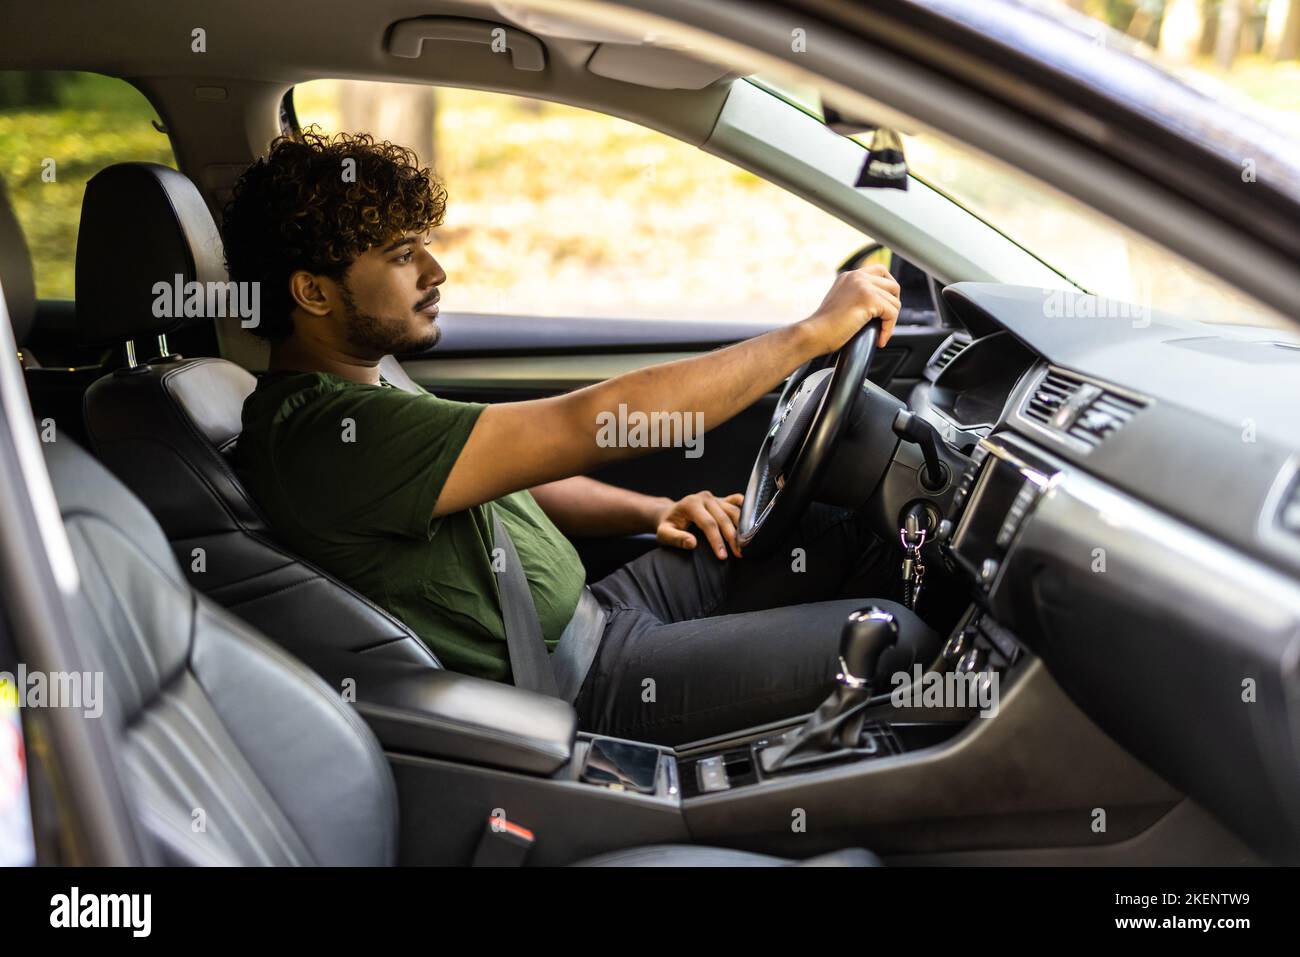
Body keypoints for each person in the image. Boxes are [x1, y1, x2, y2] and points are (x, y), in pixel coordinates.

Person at [224, 128, 932, 746]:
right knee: (892, 645)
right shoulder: (326, 435)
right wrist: (805, 336)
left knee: (857, 526)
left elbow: (512, 474)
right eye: (402, 254)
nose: (436, 271)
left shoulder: (364, 387)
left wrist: (651, 513)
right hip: (583, 683)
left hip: (605, 608)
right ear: (313, 293)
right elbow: (583, 424)